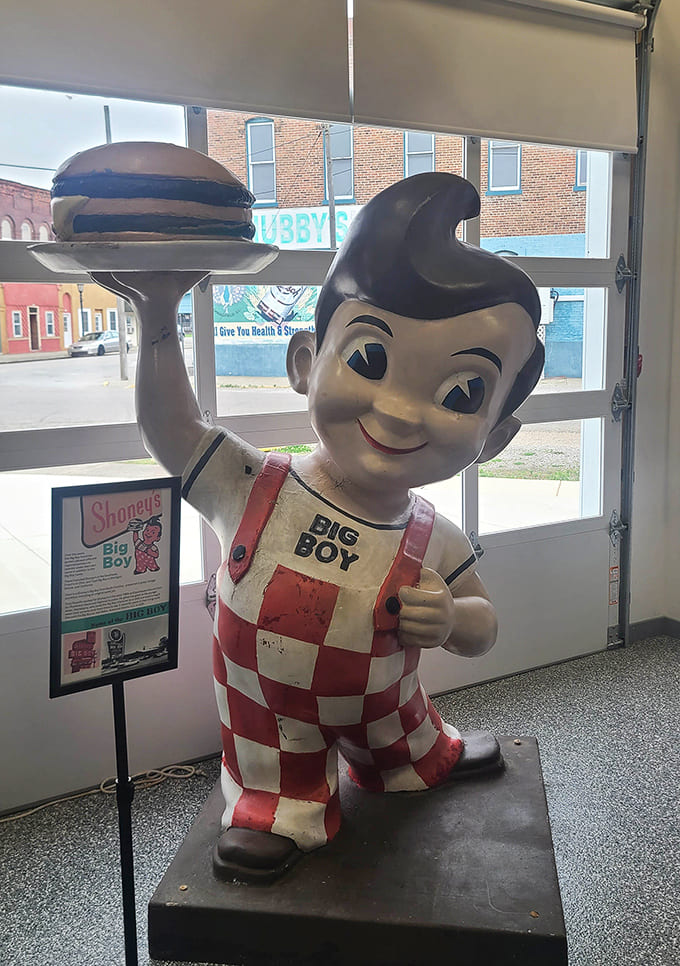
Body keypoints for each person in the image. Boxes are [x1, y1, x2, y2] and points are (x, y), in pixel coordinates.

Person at [92, 172, 543, 882]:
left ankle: (418, 759)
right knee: (274, 756)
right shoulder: (248, 485)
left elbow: (484, 627)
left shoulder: (433, 535)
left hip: (391, 707)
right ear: (305, 362)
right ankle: (278, 805)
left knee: (406, 739)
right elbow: (172, 429)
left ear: (496, 436)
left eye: (462, 392)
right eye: (369, 359)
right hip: (268, 717)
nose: (398, 412)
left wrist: (454, 615)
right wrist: (156, 317)